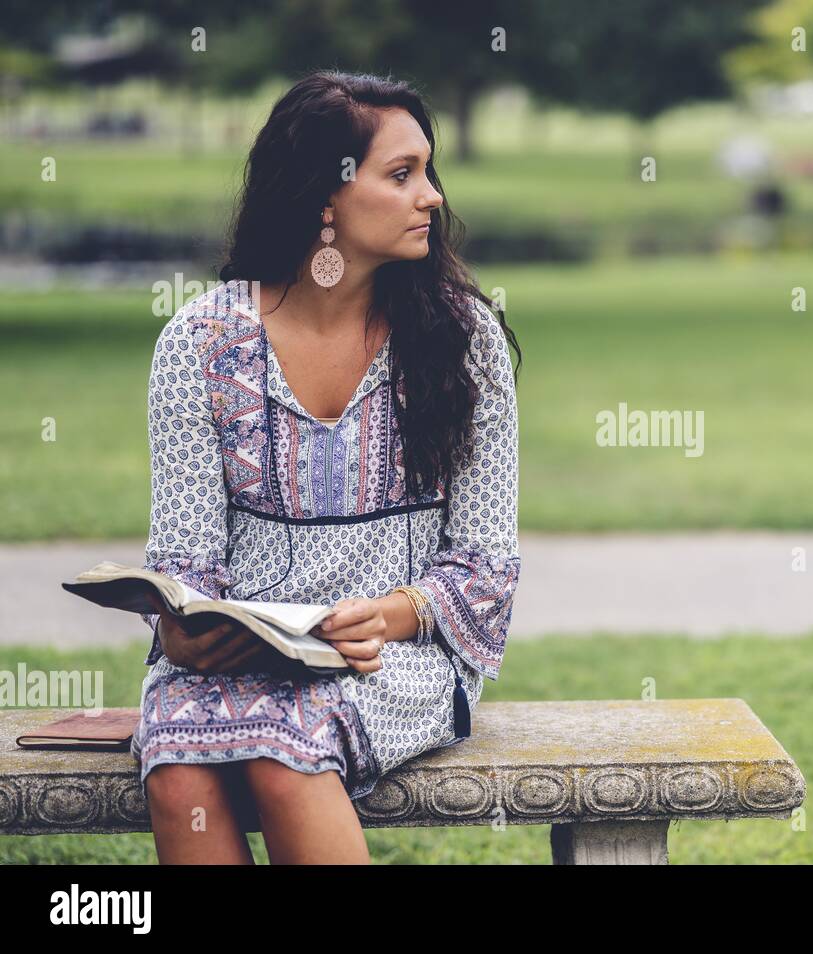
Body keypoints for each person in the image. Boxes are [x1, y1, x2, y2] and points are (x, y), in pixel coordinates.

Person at [131, 70, 522, 865]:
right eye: (402, 174)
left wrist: (391, 612)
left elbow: (486, 567)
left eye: (429, 171)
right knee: (177, 773)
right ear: (326, 198)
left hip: (396, 661)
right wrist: (182, 630)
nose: (433, 197)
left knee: (284, 752)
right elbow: (182, 560)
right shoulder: (199, 344)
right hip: (231, 664)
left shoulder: (464, 340)